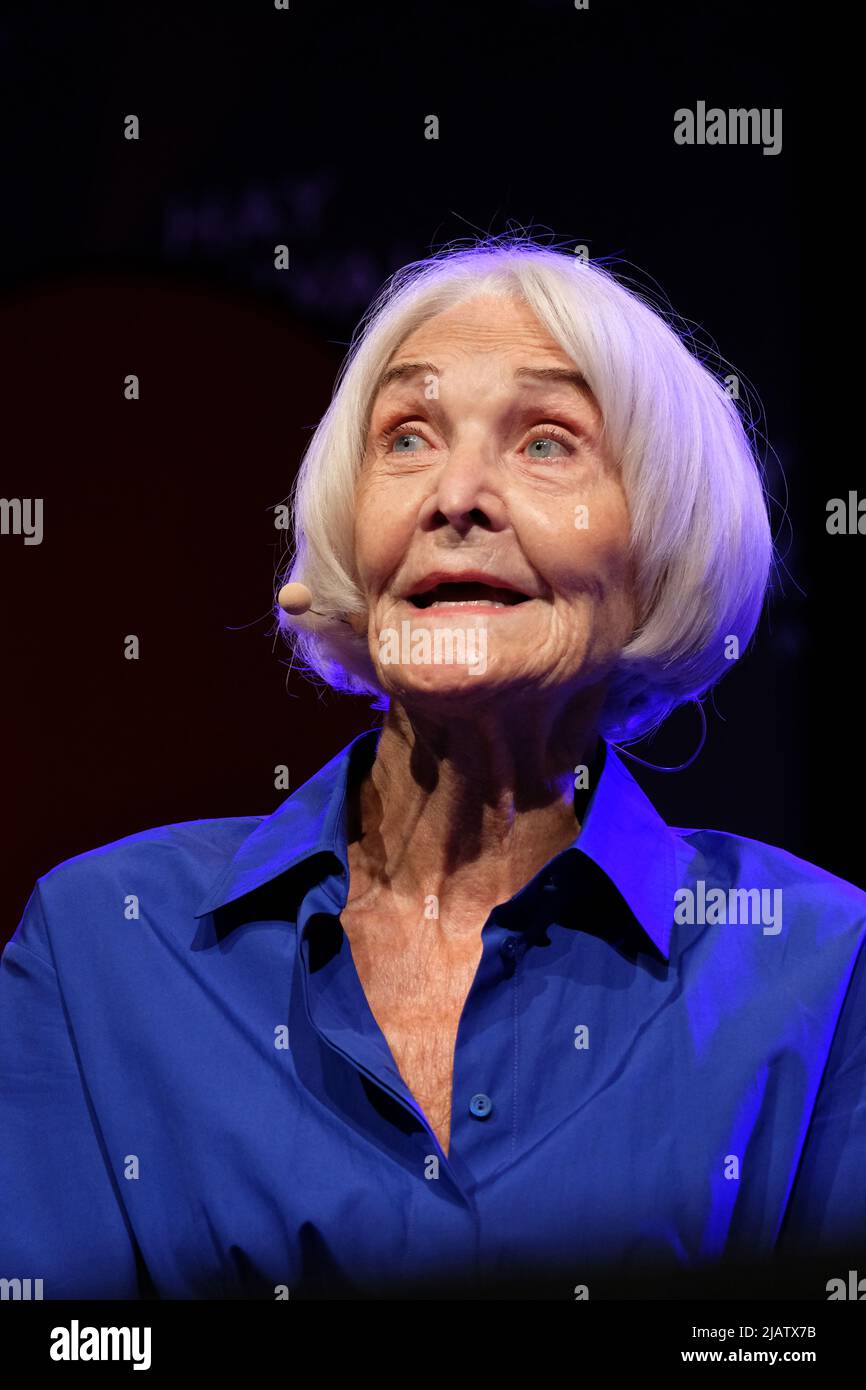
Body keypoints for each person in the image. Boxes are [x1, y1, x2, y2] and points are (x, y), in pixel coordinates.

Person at [2, 240, 864, 1301]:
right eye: (404, 437)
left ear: (664, 551)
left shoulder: (818, 966)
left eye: (547, 444)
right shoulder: (102, 946)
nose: (456, 493)